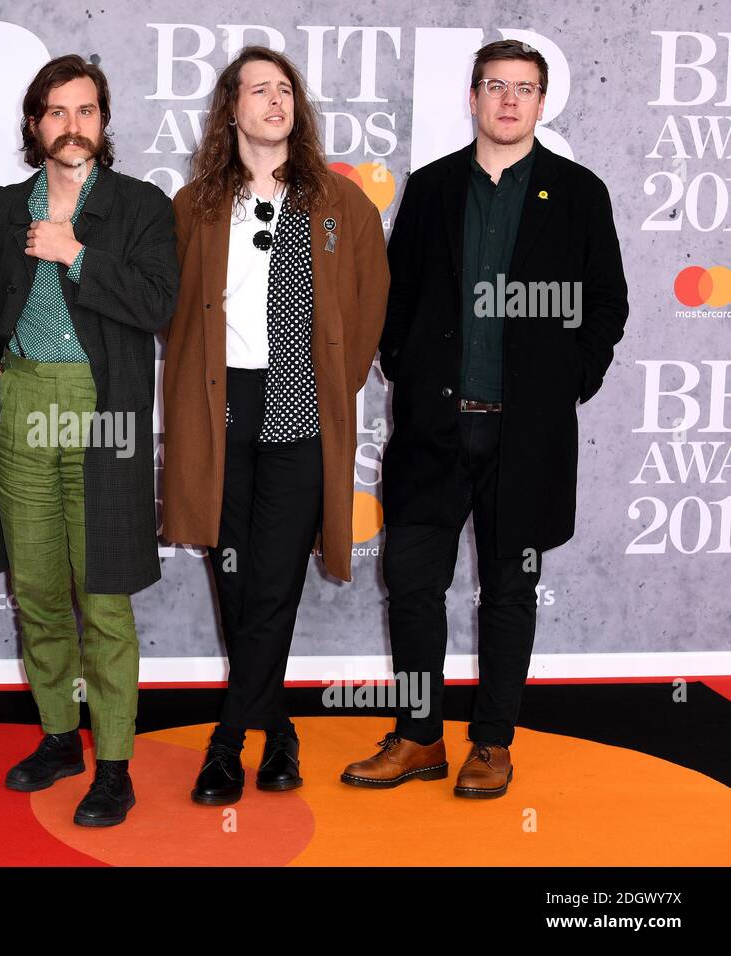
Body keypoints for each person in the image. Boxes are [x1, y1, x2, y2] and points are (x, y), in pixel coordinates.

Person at [341, 40, 628, 798]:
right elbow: (395, 299)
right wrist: (408, 363)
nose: (509, 101)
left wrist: (567, 379)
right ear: (473, 99)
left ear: (541, 103)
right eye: (495, 87)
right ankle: (418, 736)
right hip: (434, 431)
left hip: (524, 438)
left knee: (508, 591)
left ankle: (493, 744)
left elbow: (607, 304)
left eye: (524, 89)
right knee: (411, 586)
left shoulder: (577, 192)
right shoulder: (431, 188)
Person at [161, 46, 389, 805]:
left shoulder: (339, 202)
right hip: (221, 414)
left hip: (300, 413)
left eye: (285, 89)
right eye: (259, 90)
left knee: (276, 581)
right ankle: (280, 731)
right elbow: (173, 312)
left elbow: (369, 307)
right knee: (235, 579)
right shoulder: (193, 205)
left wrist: (333, 386)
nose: (275, 101)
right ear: (232, 108)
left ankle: (227, 742)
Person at [0, 54, 178, 827]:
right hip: (19, 398)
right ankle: (60, 734)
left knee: (105, 592)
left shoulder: (142, 207)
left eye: (86, 111)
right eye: (57, 112)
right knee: (38, 588)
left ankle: (114, 762)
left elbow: (160, 304)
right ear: (34, 124)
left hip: (102, 408)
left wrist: (76, 255)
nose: (72, 126)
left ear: (104, 121)